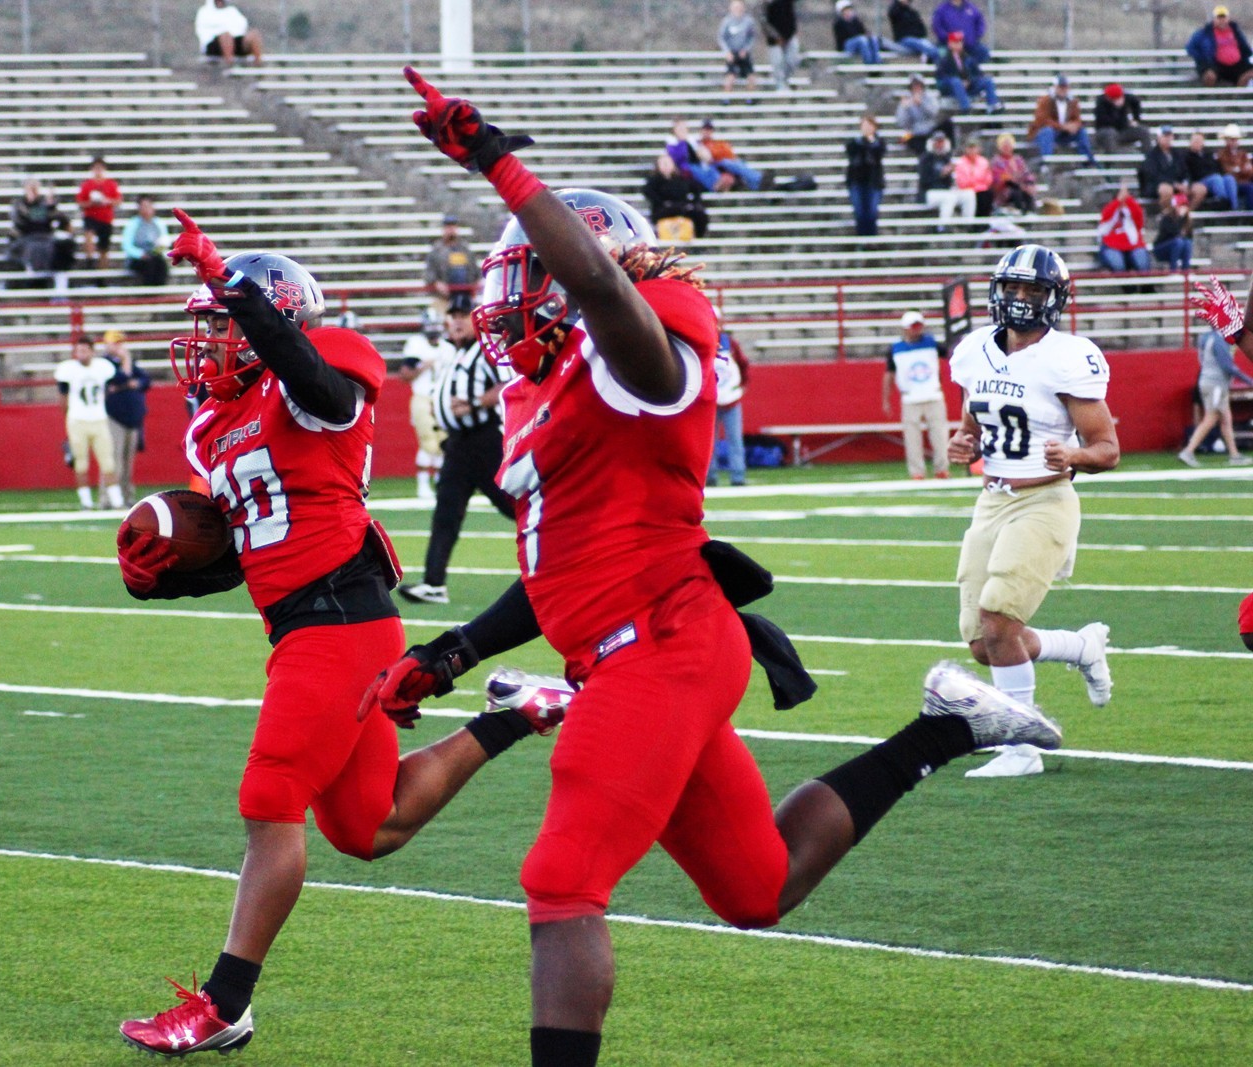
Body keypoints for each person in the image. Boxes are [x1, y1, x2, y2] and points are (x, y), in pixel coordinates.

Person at [384, 69, 1066, 1067]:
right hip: (628, 643)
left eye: (529, 272)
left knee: (560, 872)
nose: (503, 296)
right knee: (758, 886)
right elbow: (562, 571)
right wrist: (449, 651)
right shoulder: (542, 393)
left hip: (659, 645)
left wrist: (500, 161)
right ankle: (946, 723)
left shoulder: (641, 356)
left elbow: (609, 295)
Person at [115, 214, 557, 1055]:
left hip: (340, 618)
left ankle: (223, 1003)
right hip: (308, 623)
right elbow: (247, 551)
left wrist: (234, 286)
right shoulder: (211, 425)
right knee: (368, 823)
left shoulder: (322, 374)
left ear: (264, 319)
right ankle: (515, 710)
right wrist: (164, 575)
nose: (205, 342)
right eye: (204, 324)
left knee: (269, 797)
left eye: (219, 324)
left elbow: (318, 387)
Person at [945, 245, 1117, 777]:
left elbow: (1106, 448)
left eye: (1034, 290)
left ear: (1054, 299)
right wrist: (966, 442)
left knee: (1000, 619)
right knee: (982, 642)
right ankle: (1080, 646)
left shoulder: (1068, 354)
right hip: (992, 498)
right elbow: (976, 419)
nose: (1021, 299)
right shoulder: (974, 350)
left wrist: (1074, 455)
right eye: (1014, 289)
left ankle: (1022, 745)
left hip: (1044, 498)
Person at [399, 295, 516, 605]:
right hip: (459, 444)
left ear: (475, 319)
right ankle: (433, 583)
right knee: (445, 514)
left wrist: (476, 404)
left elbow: (509, 384)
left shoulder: (486, 351)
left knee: (515, 505)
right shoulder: (453, 353)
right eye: (453, 315)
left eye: (464, 314)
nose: (457, 320)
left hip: (483, 441)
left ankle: (563, 551)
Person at [54, 336, 122, 510]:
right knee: (80, 463)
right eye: (78, 351)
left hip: (99, 419)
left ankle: (117, 501)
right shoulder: (68, 369)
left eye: (84, 350)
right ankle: (86, 502)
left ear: (92, 351)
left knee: (108, 462)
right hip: (77, 420)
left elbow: (111, 387)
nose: (81, 354)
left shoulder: (103, 367)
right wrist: (68, 417)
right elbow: (63, 396)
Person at [883, 311, 951, 479]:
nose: (917, 330)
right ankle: (917, 472)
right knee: (912, 438)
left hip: (933, 395)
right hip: (910, 397)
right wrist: (886, 399)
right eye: (913, 327)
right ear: (905, 328)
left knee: (940, 436)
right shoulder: (895, 349)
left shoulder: (931, 343)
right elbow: (889, 374)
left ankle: (942, 469)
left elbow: (951, 355)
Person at [399, 307, 454, 499]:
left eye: (436, 324)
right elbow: (405, 374)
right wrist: (423, 366)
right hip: (423, 397)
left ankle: (440, 482)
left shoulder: (449, 347)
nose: (433, 329)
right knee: (428, 442)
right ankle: (423, 485)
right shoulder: (416, 344)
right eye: (430, 324)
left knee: (442, 443)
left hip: (443, 399)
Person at [1178, 325, 1253, 467]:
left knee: (1226, 419)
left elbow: (1203, 359)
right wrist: (1248, 380)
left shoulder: (1207, 337)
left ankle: (1234, 454)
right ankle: (1188, 451)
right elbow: (1227, 366)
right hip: (1216, 384)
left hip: (1212, 381)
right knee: (1211, 418)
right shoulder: (1219, 339)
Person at [102, 330, 151, 506]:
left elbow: (145, 380)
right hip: (114, 417)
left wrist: (128, 382)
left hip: (133, 418)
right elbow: (122, 376)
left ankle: (126, 497)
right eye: (115, 343)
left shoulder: (126, 363)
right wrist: (126, 363)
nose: (119, 347)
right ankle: (108, 499)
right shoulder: (105, 363)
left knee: (127, 463)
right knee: (113, 461)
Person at [709, 310, 749, 487]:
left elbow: (742, 363)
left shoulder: (730, 343)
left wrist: (742, 385)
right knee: (709, 442)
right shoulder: (702, 340)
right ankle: (709, 476)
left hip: (730, 398)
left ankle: (738, 476)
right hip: (710, 400)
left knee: (735, 439)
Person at [1028, 75, 1097, 167]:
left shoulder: (1073, 101)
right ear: (1055, 87)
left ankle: (1087, 160)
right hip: (1047, 132)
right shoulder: (1045, 100)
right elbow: (1042, 120)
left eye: (1065, 87)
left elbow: (1078, 118)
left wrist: (1074, 125)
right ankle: (1046, 161)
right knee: (1047, 131)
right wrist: (1063, 126)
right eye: (1061, 87)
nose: (1063, 90)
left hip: (1063, 133)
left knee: (1082, 132)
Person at [1138, 127, 1208, 211]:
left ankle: (1186, 214)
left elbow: (1185, 171)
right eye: (1165, 136)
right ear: (1159, 138)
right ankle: (1168, 215)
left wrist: (1186, 183)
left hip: (1178, 185)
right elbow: (1153, 175)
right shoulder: (1152, 155)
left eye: (1169, 136)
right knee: (1166, 190)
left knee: (1200, 189)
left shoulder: (1177, 154)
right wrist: (1174, 184)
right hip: (1157, 187)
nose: (1168, 139)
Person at [643, 152, 709, 241]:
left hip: (682, 207)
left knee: (699, 213)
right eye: (663, 163)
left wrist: (693, 202)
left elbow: (696, 189)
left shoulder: (682, 179)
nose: (666, 166)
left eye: (668, 163)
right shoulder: (653, 181)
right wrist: (662, 203)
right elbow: (649, 193)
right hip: (662, 209)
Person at [935, 30, 1002, 114]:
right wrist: (958, 81)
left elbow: (978, 74)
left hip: (968, 87)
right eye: (955, 42)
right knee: (956, 81)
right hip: (951, 89)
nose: (958, 45)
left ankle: (992, 105)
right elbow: (940, 77)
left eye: (960, 42)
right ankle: (966, 107)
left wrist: (969, 81)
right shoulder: (944, 59)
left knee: (988, 80)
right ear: (950, 44)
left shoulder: (968, 58)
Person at [423, 212, 474, 317]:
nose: (451, 229)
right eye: (448, 226)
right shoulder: (436, 250)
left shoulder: (464, 248)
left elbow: (474, 271)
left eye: (453, 226)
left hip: (465, 298)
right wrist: (437, 284)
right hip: (444, 299)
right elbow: (429, 274)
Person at [1188, 5, 1253, 87]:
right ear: (1214, 19)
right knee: (1209, 76)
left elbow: (1244, 48)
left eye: (1224, 18)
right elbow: (1191, 48)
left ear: (1228, 18)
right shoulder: (1204, 33)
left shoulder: (1236, 32)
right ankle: (1209, 97)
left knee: (1248, 73)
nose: (1222, 21)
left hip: (1236, 65)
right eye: (1219, 18)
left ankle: (1238, 95)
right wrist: (1203, 59)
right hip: (1215, 65)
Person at [695, 119, 768, 191]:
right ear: (701, 130)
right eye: (705, 129)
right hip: (714, 167)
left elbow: (729, 153)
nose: (707, 131)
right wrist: (718, 154)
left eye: (709, 129)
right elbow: (708, 157)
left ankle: (757, 184)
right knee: (730, 163)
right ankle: (758, 179)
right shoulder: (698, 144)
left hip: (724, 164)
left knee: (737, 162)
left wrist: (717, 154)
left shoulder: (717, 143)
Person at [7, 177, 61, 274]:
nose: (34, 191)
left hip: (44, 236)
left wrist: (51, 205)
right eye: (31, 188)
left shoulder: (45, 203)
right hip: (26, 236)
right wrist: (34, 209)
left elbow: (53, 217)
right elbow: (22, 219)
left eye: (35, 188)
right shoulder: (19, 203)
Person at [76, 156, 121, 271]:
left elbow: (118, 201)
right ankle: (90, 258)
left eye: (100, 168)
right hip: (91, 216)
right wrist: (91, 203)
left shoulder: (111, 184)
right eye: (96, 168)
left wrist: (107, 201)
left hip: (105, 219)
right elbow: (80, 202)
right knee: (89, 234)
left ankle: (102, 274)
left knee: (104, 248)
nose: (98, 171)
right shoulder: (87, 185)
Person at [920, 132, 975, 224]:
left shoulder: (946, 158)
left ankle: (968, 224)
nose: (939, 144)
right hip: (930, 192)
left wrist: (950, 174)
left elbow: (948, 182)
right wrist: (940, 174)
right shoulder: (925, 158)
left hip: (946, 190)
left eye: (941, 142)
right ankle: (943, 226)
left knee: (969, 194)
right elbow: (924, 180)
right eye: (937, 142)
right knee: (949, 197)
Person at [845, 113, 886, 237]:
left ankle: (872, 238)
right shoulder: (855, 142)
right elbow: (850, 152)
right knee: (859, 212)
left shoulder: (879, 142)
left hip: (873, 182)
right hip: (857, 181)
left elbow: (879, 154)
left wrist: (871, 142)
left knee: (872, 212)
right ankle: (861, 237)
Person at [1096, 183, 1151, 272]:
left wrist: (1128, 199)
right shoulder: (1110, 210)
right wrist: (1118, 201)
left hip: (1133, 246)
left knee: (1142, 263)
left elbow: (1139, 216)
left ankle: (1146, 285)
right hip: (1111, 246)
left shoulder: (1131, 212)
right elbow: (1106, 214)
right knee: (1118, 265)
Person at [895, 75, 955, 155]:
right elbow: (902, 123)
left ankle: (951, 150)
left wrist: (921, 104)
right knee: (906, 138)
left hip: (930, 129)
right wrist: (905, 108)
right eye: (914, 86)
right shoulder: (906, 100)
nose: (916, 88)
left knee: (948, 123)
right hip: (916, 133)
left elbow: (934, 112)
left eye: (918, 85)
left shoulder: (929, 97)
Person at [120, 194, 171, 286]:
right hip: (138, 259)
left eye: (148, 206)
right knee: (149, 264)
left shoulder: (159, 223)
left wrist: (159, 250)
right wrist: (140, 254)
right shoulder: (133, 224)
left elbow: (164, 240)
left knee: (160, 264)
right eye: (143, 206)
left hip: (155, 255)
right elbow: (127, 245)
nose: (146, 209)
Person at [195, 0, 264, 65]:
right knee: (226, 36)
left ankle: (258, 65)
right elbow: (202, 30)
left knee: (254, 35)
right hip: (213, 44)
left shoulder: (232, 11)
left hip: (235, 40)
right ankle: (230, 65)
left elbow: (242, 25)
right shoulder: (205, 12)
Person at [1185, 130, 1238, 209]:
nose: (1197, 143)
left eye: (1200, 141)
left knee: (1229, 179)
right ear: (1191, 142)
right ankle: (1222, 202)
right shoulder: (1186, 156)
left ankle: (1234, 208)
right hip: (1199, 181)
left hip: (1214, 177)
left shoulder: (1208, 155)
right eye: (1195, 140)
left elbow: (1218, 167)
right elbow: (1187, 172)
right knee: (1216, 178)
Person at [833, 0, 899, 64]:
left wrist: (868, 34)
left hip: (858, 42)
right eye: (845, 10)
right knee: (862, 40)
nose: (848, 11)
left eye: (849, 9)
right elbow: (846, 37)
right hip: (847, 45)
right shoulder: (839, 23)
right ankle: (869, 62)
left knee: (874, 39)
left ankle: (877, 61)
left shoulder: (855, 20)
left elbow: (862, 31)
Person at [1093, 83, 1148, 155]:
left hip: (1123, 130)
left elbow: (1136, 103)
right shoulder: (1101, 102)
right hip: (1105, 132)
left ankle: (1148, 158)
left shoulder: (1126, 97)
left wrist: (1136, 119)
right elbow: (1104, 121)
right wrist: (1116, 108)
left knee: (1143, 131)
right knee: (1110, 133)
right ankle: (1111, 162)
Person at [717, 0, 759, 93]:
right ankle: (726, 100)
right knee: (730, 77)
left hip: (744, 54)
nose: (737, 9)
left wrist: (746, 49)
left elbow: (752, 37)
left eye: (739, 7)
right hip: (732, 54)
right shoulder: (727, 21)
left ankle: (750, 100)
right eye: (735, 7)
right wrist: (727, 52)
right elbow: (721, 38)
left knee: (751, 77)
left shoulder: (749, 21)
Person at [990, 132, 1037, 213]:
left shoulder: (1018, 159)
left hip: (1020, 186)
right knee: (1016, 192)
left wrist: (1029, 183)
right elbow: (997, 177)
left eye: (1009, 145)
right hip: (1004, 189)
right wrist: (1012, 178)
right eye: (1004, 145)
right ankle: (1018, 212)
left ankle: (1030, 212)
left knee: (1028, 191)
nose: (1007, 148)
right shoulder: (996, 161)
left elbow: (1026, 173)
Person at [762, 0, 799, 90]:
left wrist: (788, 36)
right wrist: (777, 37)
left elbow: (791, 19)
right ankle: (780, 85)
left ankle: (785, 80)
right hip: (774, 41)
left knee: (792, 60)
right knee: (778, 63)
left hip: (789, 37)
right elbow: (765, 23)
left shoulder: (787, 3)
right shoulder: (767, 4)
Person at [1154, 192, 1194, 272]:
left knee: (1187, 243)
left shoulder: (1187, 221)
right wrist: (1180, 219)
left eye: (1185, 205)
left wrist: (1183, 220)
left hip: (1177, 248)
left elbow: (1189, 237)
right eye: (1180, 205)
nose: (1183, 208)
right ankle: (1173, 270)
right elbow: (1173, 232)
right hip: (1161, 249)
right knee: (1178, 242)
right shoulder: (1167, 218)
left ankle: (1186, 270)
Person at [956, 137, 995, 218]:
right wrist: (976, 183)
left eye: (974, 147)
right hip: (967, 191)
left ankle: (984, 223)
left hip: (982, 190)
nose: (972, 150)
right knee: (971, 196)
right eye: (970, 148)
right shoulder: (961, 162)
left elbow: (988, 180)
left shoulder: (983, 161)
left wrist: (975, 183)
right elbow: (962, 182)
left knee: (986, 195)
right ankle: (972, 224)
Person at [1217, 123, 1253, 209]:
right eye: (1231, 139)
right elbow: (1227, 170)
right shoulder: (1222, 154)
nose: (1234, 142)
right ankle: (1234, 208)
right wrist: (1241, 169)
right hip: (1231, 183)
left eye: (1235, 139)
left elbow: (1249, 171)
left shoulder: (1243, 154)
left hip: (1243, 181)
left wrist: (1239, 170)